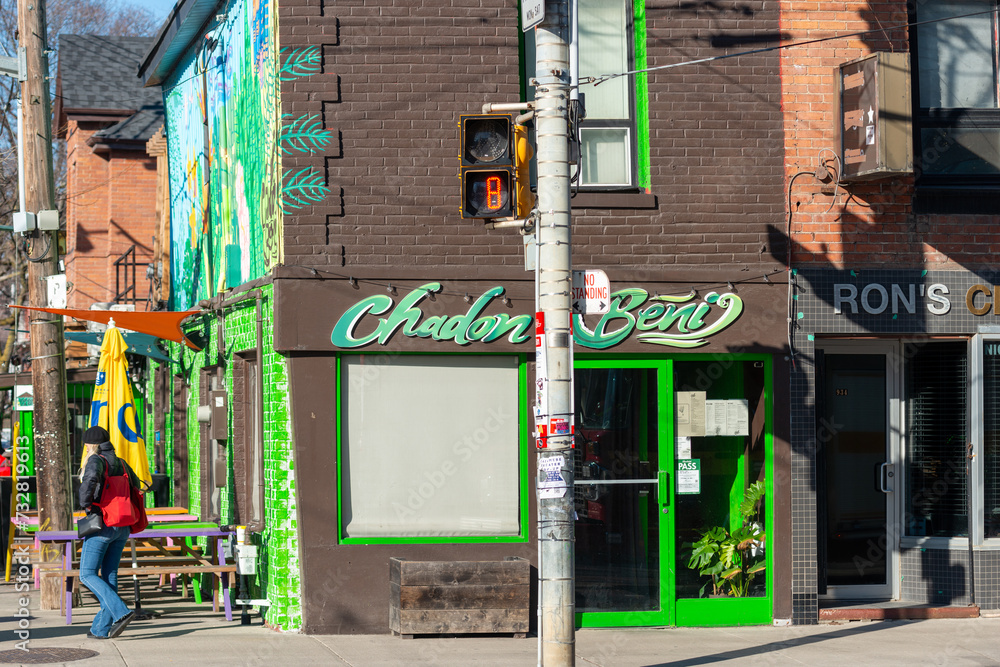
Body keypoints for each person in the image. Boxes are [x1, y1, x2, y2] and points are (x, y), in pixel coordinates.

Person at [78, 426, 140, 640]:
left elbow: (90, 480)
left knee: (86, 574)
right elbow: (137, 486)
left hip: (102, 524)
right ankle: (100, 629)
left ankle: (121, 612)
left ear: (91, 444)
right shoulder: (121, 462)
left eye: (86, 444)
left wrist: (86, 505)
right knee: (109, 576)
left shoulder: (96, 460)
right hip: (122, 526)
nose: (85, 447)